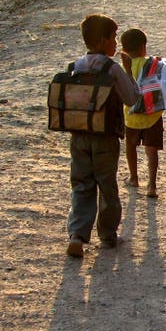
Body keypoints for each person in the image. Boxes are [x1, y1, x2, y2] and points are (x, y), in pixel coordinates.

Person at [66, 13, 139, 258]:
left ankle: (77, 234)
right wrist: (129, 72)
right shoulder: (112, 68)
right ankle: (108, 236)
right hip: (106, 137)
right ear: (101, 40)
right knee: (107, 185)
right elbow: (130, 98)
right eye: (113, 37)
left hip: (79, 134)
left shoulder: (75, 66)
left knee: (82, 184)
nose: (116, 43)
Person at [120, 28, 164, 199]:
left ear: (123, 50)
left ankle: (134, 177)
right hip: (152, 114)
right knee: (152, 150)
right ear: (144, 46)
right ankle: (152, 185)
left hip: (131, 116)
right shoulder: (152, 64)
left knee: (130, 146)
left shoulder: (125, 67)